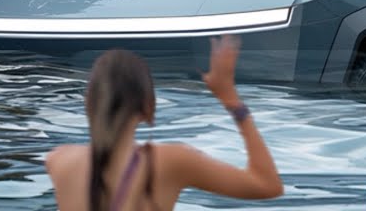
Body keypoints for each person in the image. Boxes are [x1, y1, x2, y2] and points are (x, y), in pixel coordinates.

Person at [45, 37, 283, 210]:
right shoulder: (171, 161)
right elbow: (267, 185)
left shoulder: (58, 161)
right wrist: (230, 99)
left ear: (89, 104)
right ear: (148, 108)